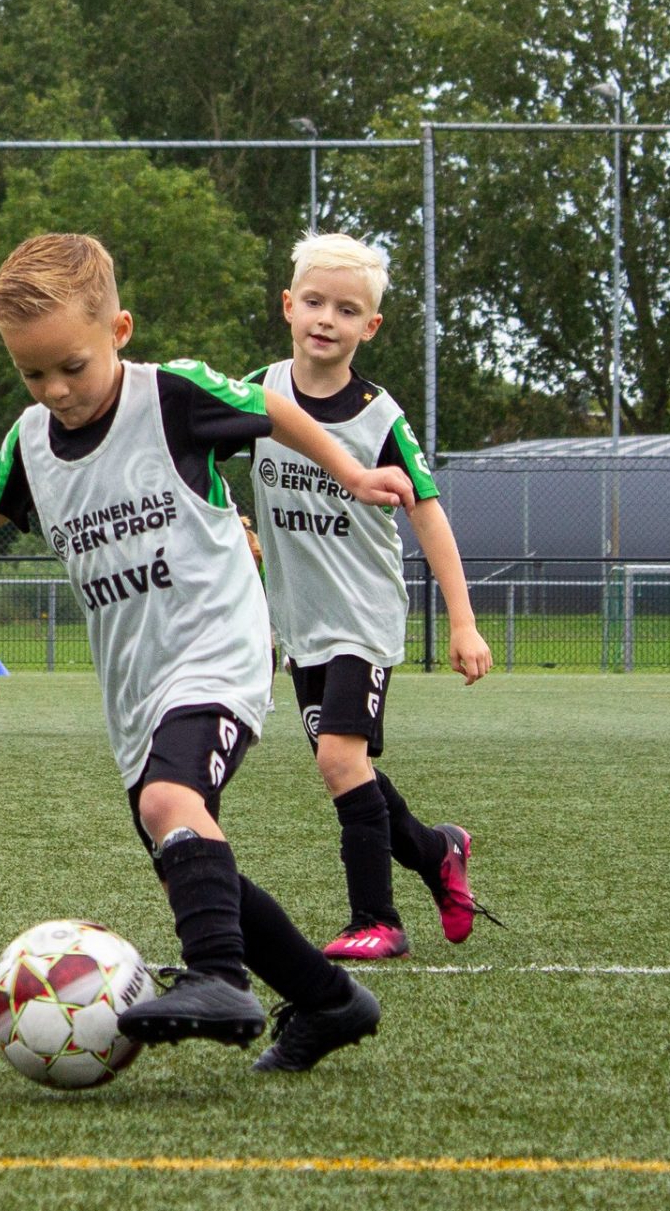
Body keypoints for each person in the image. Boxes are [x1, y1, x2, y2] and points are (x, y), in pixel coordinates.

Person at [0, 233, 416, 1072]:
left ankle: (218, 975)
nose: (55, 389)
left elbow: (275, 411)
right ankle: (331, 1001)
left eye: (72, 366)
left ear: (119, 330)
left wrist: (349, 471)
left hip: (218, 652)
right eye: (33, 374)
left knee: (174, 804)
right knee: (192, 859)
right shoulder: (33, 440)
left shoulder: (172, 396)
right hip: (134, 687)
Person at [245, 233, 498, 961]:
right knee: (347, 766)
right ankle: (437, 850)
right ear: (289, 305)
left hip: (362, 615)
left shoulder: (378, 416)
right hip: (301, 621)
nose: (327, 318)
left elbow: (427, 511)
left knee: (337, 761)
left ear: (370, 326)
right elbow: (195, 455)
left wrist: (464, 621)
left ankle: (377, 919)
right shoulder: (257, 393)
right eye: (315, 302)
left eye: (346, 309)